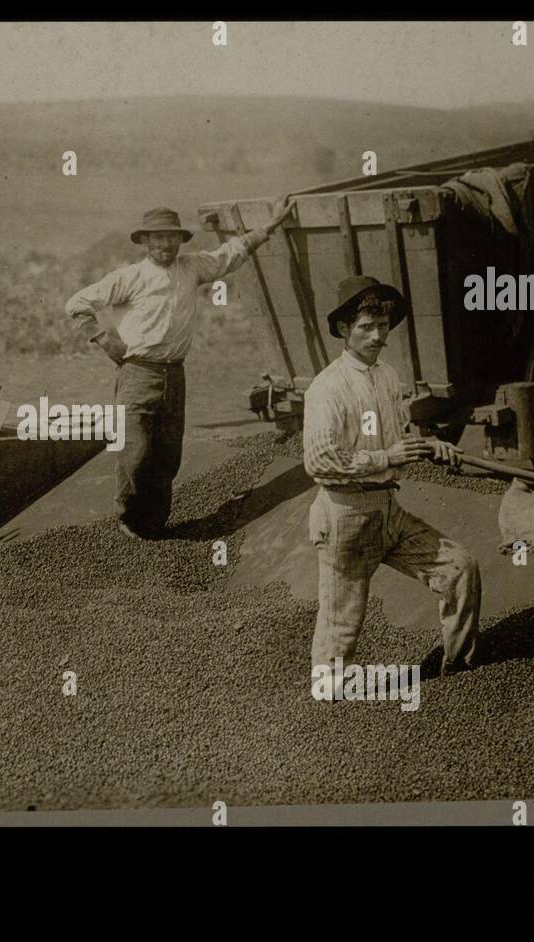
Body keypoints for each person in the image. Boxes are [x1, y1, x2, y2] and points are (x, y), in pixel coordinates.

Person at [66, 202, 290, 538]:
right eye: (158, 237)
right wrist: (103, 338)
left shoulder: (193, 268)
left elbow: (231, 254)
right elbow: (78, 303)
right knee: (134, 449)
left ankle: (155, 527)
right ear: (144, 240)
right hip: (138, 372)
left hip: (174, 375)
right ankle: (128, 519)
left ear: (180, 240)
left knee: (168, 454)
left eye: (171, 238)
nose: (165, 245)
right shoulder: (131, 277)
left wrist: (268, 227)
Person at [303, 276, 481, 690]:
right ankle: (327, 705)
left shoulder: (387, 376)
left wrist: (431, 444)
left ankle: (461, 673)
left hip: (388, 509)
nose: (378, 336)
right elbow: (319, 461)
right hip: (344, 515)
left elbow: (399, 435)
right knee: (341, 622)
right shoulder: (325, 388)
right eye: (367, 326)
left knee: (460, 568)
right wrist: (386, 458)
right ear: (344, 329)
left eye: (383, 326)